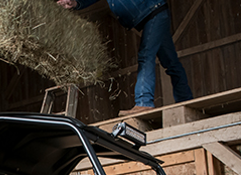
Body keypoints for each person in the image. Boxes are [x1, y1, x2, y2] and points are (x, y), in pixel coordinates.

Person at [58, 0, 193, 116]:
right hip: (153, 14)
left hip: (155, 12)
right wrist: (75, 2)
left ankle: (144, 102)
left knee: (145, 55)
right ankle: (186, 100)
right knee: (171, 62)